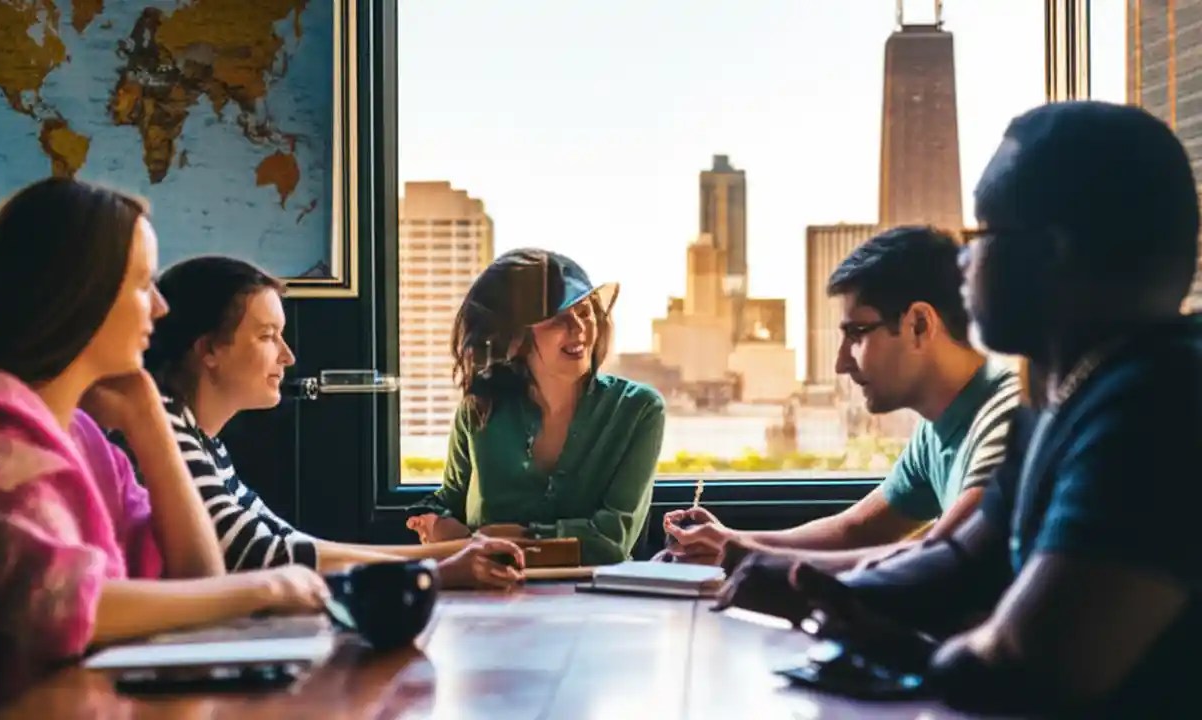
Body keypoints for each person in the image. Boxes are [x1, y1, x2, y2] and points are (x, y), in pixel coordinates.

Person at [719, 101, 1202, 717]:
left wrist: (902, 651)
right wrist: (804, 582)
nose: (963, 263)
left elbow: (1035, 662)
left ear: (1052, 253)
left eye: (983, 235)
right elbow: (965, 558)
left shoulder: (1160, 403)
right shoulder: (1061, 394)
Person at [0, 179, 328, 716]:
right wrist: (267, 589)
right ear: (78, 295)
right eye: (142, 285)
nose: (159, 309)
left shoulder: (86, 440)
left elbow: (198, 581)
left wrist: (150, 423)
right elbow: (63, 606)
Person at [143, 255, 525, 589]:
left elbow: (292, 542)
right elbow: (263, 556)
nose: (288, 356)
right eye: (267, 336)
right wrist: (436, 568)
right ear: (209, 350)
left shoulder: (202, 442)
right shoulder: (164, 430)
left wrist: (457, 550)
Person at [665, 227, 1019, 570]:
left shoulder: (1008, 418)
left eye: (857, 334)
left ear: (919, 326)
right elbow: (856, 530)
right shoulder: (936, 430)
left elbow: (938, 556)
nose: (841, 362)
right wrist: (728, 541)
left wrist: (748, 557)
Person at [404, 249, 666, 565]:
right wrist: (438, 522)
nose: (580, 329)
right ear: (512, 336)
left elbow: (610, 543)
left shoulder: (638, 410)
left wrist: (492, 540)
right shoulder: (477, 411)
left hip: (596, 605)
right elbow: (445, 505)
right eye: (558, 319)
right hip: (486, 600)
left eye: (585, 312)